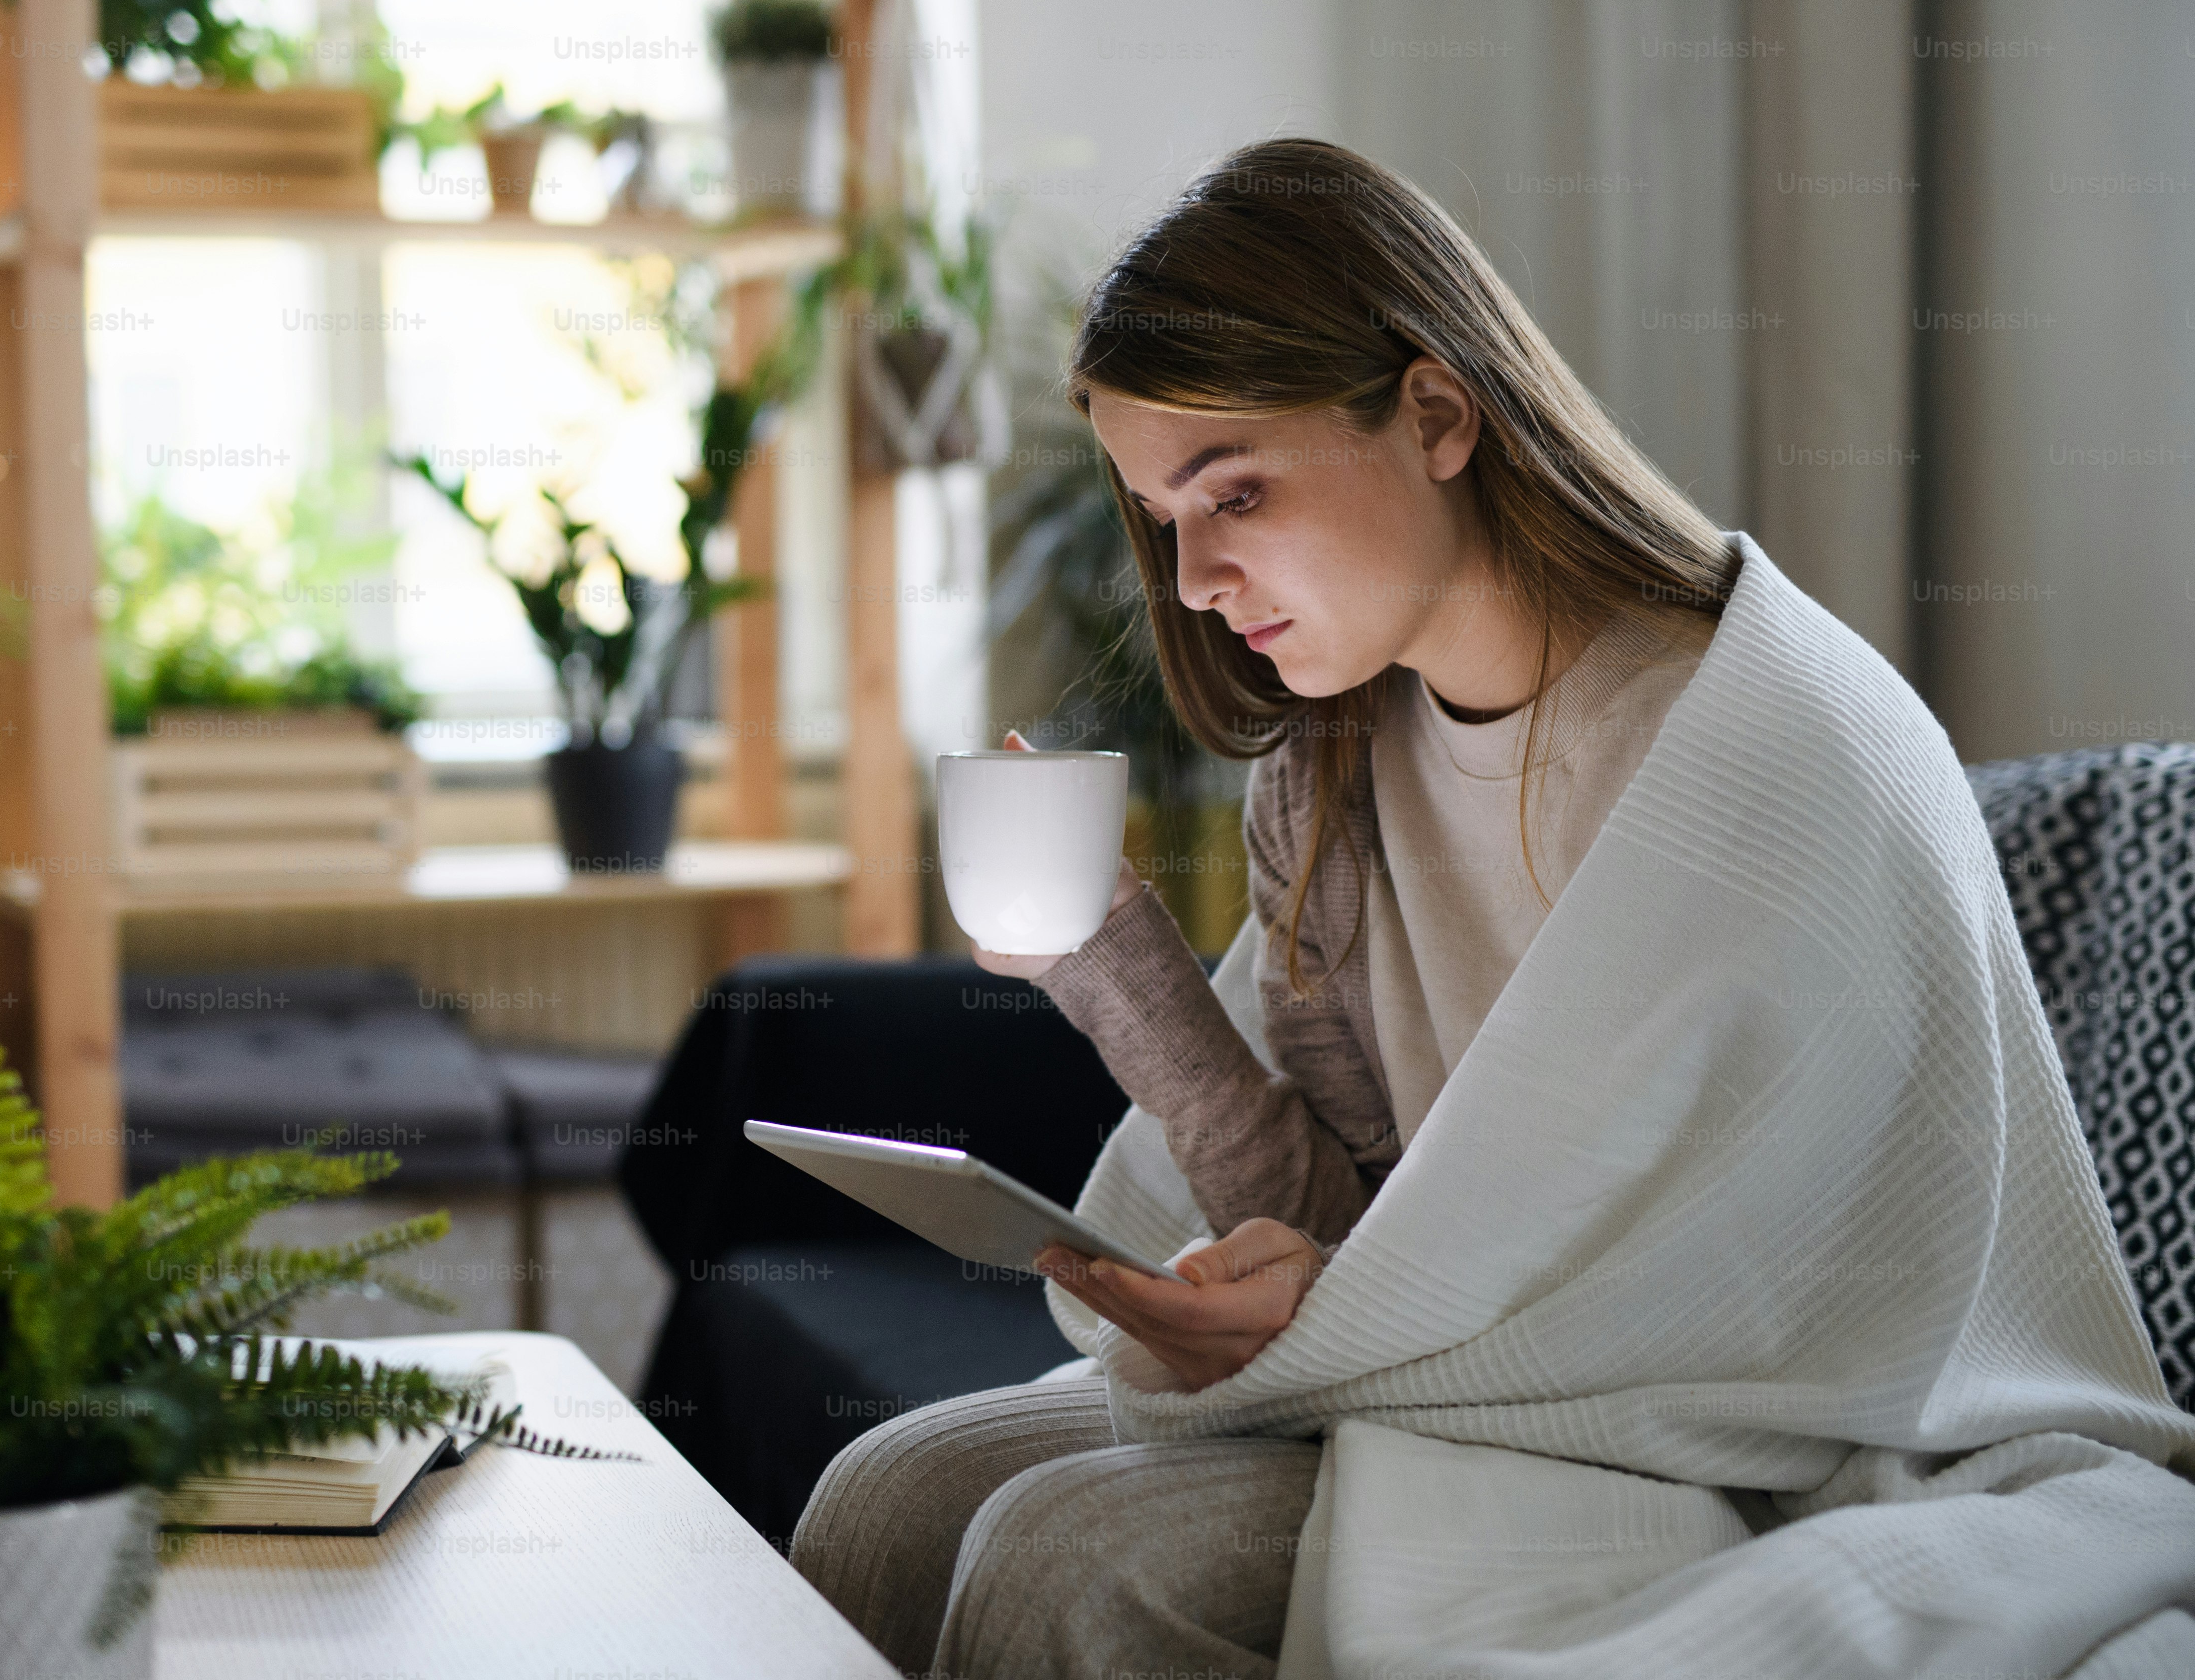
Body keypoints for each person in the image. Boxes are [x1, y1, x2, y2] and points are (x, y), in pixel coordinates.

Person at [789, 139, 2195, 1680]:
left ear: (1439, 414)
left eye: (1233, 492)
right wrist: (1118, 970)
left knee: (1068, 1563)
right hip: (1445, 1386)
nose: (1193, 580)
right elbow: (1369, 1223)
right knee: (886, 1494)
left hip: (1724, 1437)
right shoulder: (1331, 764)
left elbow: (1776, 1318)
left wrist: (1340, 1313)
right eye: (1160, 519)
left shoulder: (1765, 750)